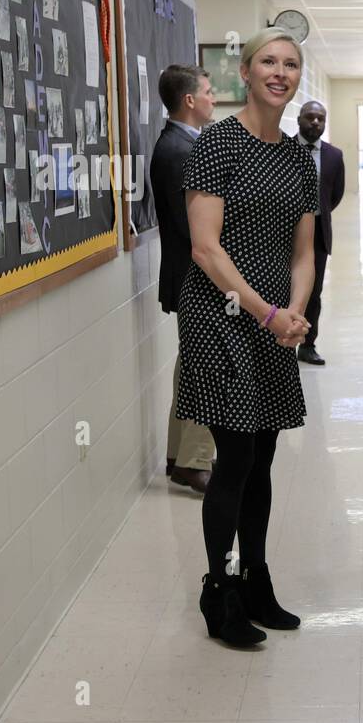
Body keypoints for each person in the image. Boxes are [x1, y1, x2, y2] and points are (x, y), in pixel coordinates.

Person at [176, 27, 318, 647]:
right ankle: (218, 588)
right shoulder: (216, 144)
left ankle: (256, 578)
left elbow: (305, 252)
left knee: (262, 455)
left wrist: (295, 311)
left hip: (272, 320)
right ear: (246, 70)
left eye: (290, 64)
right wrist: (265, 312)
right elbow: (206, 248)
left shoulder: (297, 158)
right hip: (221, 313)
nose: (279, 72)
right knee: (234, 454)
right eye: (268, 61)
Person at [152, 64, 217, 494]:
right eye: (209, 92)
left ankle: (180, 457)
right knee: (206, 368)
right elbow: (195, 227)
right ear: (190, 100)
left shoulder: (182, 143)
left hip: (192, 276)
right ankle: (195, 463)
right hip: (198, 278)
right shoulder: (181, 151)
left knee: (191, 363)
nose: (214, 98)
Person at [294, 99, 346, 366]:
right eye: (310, 117)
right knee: (278, 288)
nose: (315, 122)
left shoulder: (334, 156)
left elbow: (334, 196)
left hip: (317, 234)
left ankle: (307, 344)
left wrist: (313, 216)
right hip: (283, 234)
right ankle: (275, 343)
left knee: (312, 292)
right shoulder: (282, 148)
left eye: (320, 119)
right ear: (299, 119)